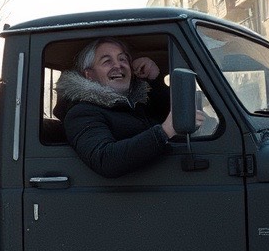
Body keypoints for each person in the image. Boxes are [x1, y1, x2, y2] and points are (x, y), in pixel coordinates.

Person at [52, 37, 178, 178]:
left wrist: (155, 80)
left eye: (123, 59)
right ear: (90, 75)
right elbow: (105, 160)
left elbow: (169, 113)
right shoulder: (81, 113)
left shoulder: (134, 104)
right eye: (107, 61)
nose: (118, 66)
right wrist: (163, 133)